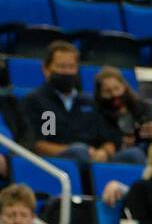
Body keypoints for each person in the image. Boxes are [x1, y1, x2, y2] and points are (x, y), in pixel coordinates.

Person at [20, 41, 134, 169]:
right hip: (57, 163)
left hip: (96, 161)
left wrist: (104, 152)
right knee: (79, 151)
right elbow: (38, 144)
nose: (67, 72)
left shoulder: (89, 102)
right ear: (46, 69)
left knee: (133, 155)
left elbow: (109, 139)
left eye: (71, 67)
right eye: (61, 66)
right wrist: (79, 151)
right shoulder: (35, 101)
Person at [93, 67, 152, 161]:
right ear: (100, 94)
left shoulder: (146, 107)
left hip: (149, 155)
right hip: (115, 158)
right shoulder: (97, 114)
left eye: (117, 88)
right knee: (134, 154)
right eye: (107, 91)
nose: (114, 94)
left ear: (124, 87)